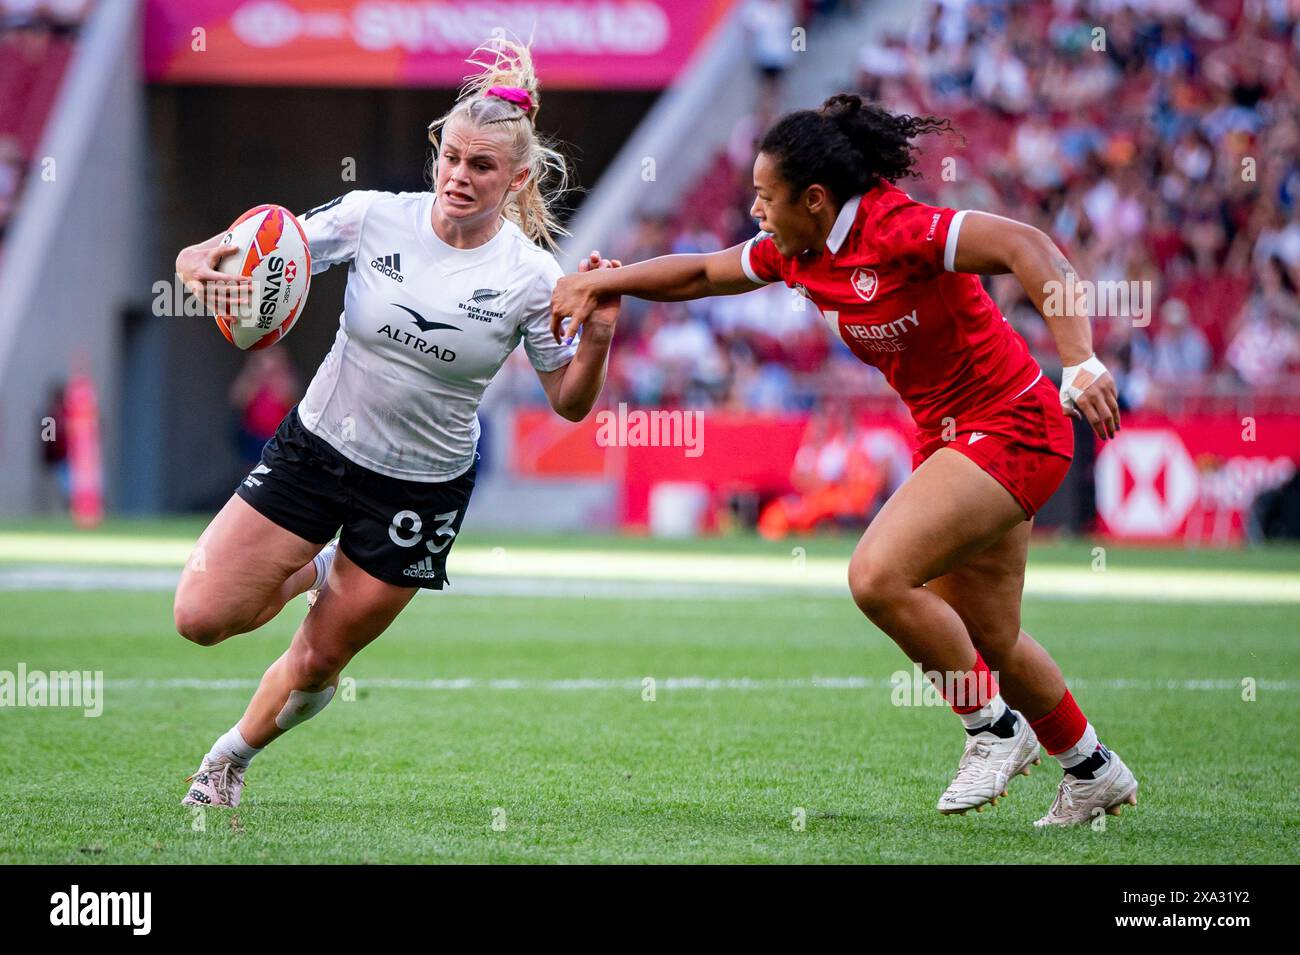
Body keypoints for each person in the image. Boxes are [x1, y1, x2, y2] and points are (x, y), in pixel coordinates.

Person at [551, 94, 1136, 827]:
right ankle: (1091, 769)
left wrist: (1078, 359)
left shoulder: (901, 228)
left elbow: (1030, 248)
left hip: (1012, 425)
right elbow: (702, 274)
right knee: (992, 636)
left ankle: (993, 729)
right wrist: (605, 281)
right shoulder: (800, 254)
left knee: (875, 576)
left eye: (766, 198)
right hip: (955, 439)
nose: (757, 213)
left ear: (817, 200)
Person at [171, 39, 621, 808]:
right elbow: (248, 248)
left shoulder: (532, 277)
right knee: (202, 616)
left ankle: (225, 764)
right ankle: (318, 566)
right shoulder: (372, 216)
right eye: (451, 157)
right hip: (317, 447)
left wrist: (601, 337)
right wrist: (193, 259)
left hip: (419, 491)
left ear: (516, 179)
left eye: (482, 167)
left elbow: (569, 403)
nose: (458, 177)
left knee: (318, 664)